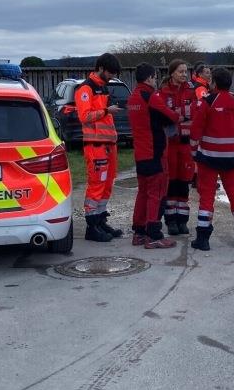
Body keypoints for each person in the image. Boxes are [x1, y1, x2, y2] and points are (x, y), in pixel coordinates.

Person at [189, 68, 234, 250]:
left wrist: (194, 152)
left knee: (206, 197)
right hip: (231, 158)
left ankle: (203, 239)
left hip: (208, 158)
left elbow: (195, 129)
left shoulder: (208, 101)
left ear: (214, 83)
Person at [127, 63, 180, 249]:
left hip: (140, 153)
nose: (156, 81)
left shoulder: (133, 97)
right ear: (149, 78)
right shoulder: (150, 96)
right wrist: (176, 114)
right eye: (155, 77)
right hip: (155, 153)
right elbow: (171, 116)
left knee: (143, 193)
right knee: (156, 194)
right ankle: (154, 234)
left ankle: (139, 232)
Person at [76, 53, 124, 242]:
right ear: (101, 68)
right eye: (110, 73)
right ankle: (92, 225)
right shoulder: (85, 88)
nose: (112, 77)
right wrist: (106, 111)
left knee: (107, 183)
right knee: (97, 184)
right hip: (95, 145)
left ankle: (101, 220)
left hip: (108, 144)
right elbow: (84, 116)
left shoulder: (103, 88)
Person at [159, 59, 197, 235]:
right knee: (171, 182)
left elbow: (195, 113)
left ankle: (182, 220)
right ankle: (171, 220)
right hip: (170, 144)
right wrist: (178, 116)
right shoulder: (163, 92)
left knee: (184, 182)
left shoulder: (191, 91)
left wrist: (177, 115)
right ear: (172, 73)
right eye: (181, 71)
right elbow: (162, 115)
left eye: (185, 71)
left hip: (186, 144)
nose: (184, 74)